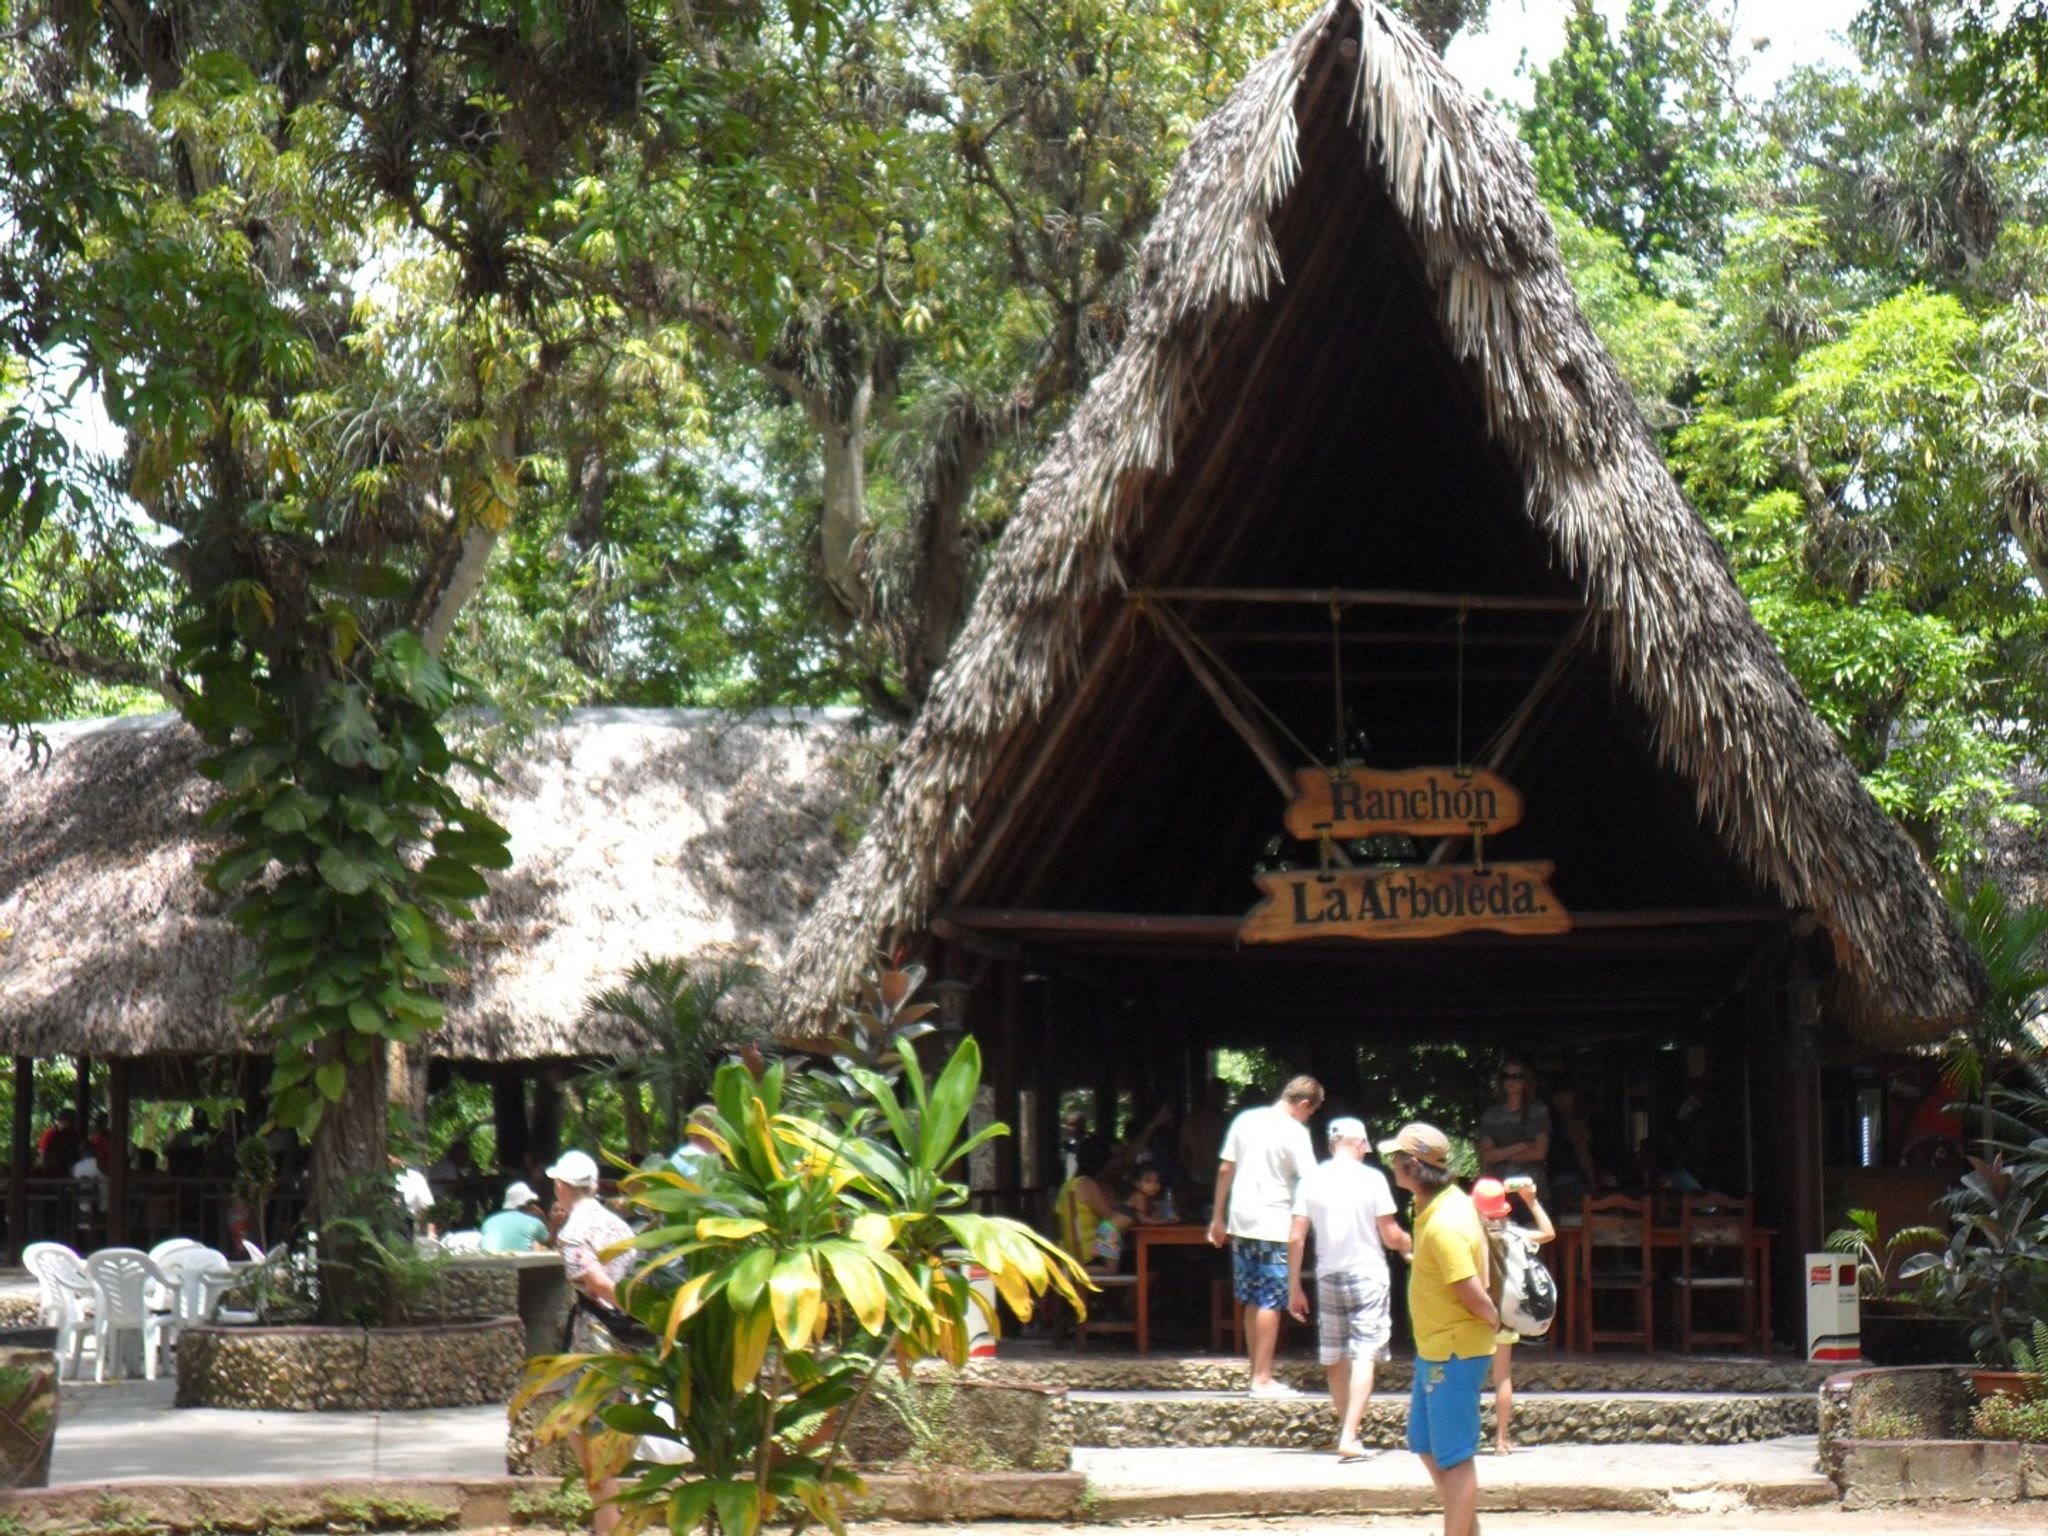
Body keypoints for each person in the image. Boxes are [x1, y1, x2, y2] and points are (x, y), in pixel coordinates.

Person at [1380, 1121, 1499, 1536]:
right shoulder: (1434, 1204)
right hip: (1435, 1348)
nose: (1391, 1164)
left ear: (1412, 1165)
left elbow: (1468, 1287)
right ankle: (1467, 1527)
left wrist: (1493, 1319)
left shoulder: (1446, 1219)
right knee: (1426, 1444)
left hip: (1453, 1351)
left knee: (1455, 1455)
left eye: (1395, 1158)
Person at [1286, 1116, 1412, 1461]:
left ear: (1331, 1145)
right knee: (1364, 1354)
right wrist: (1407, 1245)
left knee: (1335, 1356)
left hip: (1327, 1274)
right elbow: (1389, 1233)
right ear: (1359, 1144)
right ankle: (1350, 1435)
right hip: (1368, 1273)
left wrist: (1294, 1284)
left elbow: (1296, 1236)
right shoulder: (1372, 1178)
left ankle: (1348, 1432)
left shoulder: (1311, 1179)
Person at [1207, 1074, 1323, 1397]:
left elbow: (1224, 1169)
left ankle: (1255, 1372)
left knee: (1249, 1297)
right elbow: (1310, 1180)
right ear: (1302, 1104)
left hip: (1240, 1220)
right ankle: (1262, 1377)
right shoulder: (1295, 1133)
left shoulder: (1245, 1119)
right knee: (1271, 1298)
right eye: (1310, 1112)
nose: (1309, 1117)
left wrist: (1217, 1217)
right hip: (1274, 1221)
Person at [1473, 1175, 1555, 1456]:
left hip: (1475, 1314)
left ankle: (1467, 1437)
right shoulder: (1515, 1234)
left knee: (1469, 1377)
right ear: (1503, 1209)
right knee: (1502, 1377)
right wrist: (1531, 1202)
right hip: (1505, 1316)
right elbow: (1548, 1233)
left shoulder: (1472, 1236)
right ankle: (1501, 1440)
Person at [1477, 1059, 1551, 1205]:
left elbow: (1540, 1153)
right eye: (1506, 1076)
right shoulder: (1491, 1115)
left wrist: (1501, 1154)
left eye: (1517, 1076)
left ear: (1525, 1081)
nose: (1511, 1080)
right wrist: (1522, 1146)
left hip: (1532, 1191)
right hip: (1499, 1192)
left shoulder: (1538, 1111)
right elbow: (1487, 1156)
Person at [1179, 1078, 1232, 1212]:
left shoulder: (1226, 1120)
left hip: (1211, 1177)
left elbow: (1183, 1154)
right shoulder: (1195, 1121)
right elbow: (1183, 1153)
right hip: (1203, 1178)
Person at [481, 1180, 549, 1252]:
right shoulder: (534, 1223)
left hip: (490, 1262)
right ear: (526, 1204)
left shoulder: (489, 1222)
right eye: (531, 1203)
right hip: (523, 1263)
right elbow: (549, 1243)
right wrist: (543, 1217)